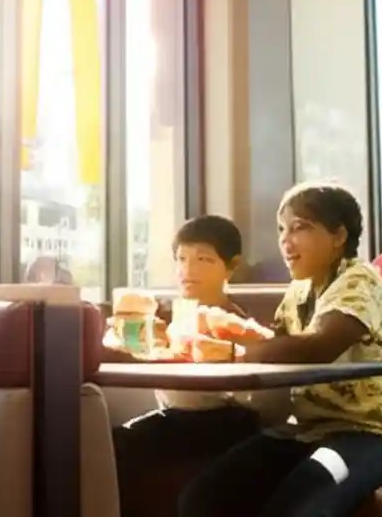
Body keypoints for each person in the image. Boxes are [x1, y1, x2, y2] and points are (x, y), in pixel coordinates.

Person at [177, 182, 382, 517]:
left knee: (298, 505)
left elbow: (319, 346)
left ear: (339, 236)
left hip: (368, 436)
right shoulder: (299, 290)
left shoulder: (359, 279)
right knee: (204, 497)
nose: (286, 241)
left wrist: (235, 352)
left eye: (300, 227)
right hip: (302, 431)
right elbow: (276, 347)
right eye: (281, 230)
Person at [109, 216, 266, 517]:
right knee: (109, 447)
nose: (188, 270)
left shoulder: (234, 320)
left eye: (204, 259)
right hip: (176, 418)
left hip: (226, 420)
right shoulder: (170, 315)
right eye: (182, 259)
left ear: (231, 266)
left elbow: (251, 386)